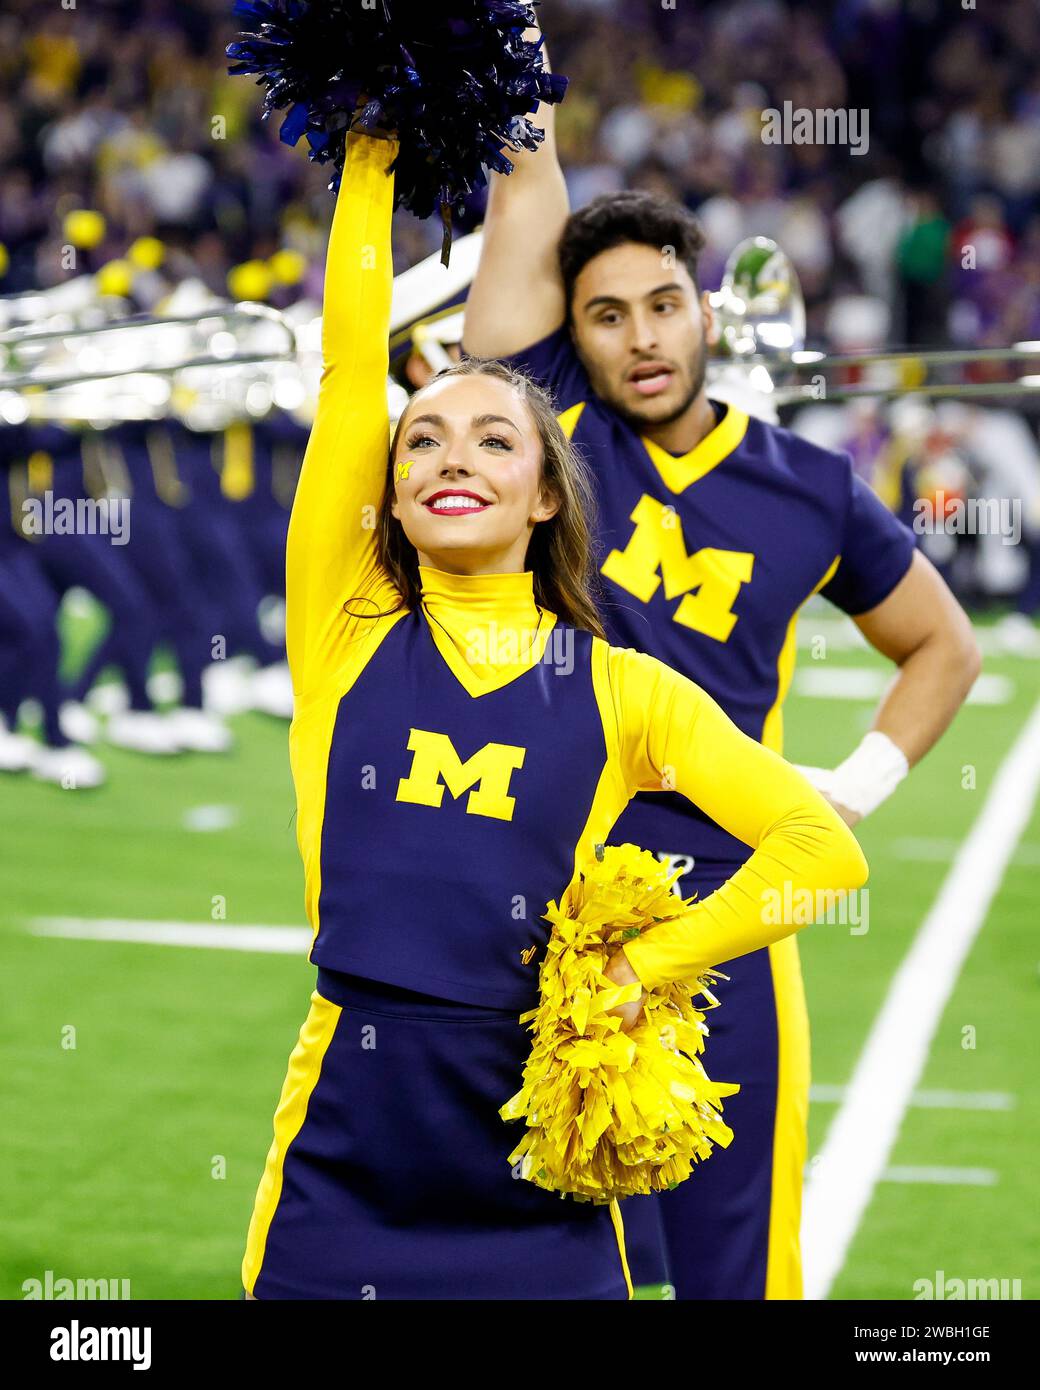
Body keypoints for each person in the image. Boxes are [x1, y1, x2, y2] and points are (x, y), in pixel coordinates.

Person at [240, 128, 867, 1301]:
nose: (445, 455)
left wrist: (648, 965)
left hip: (541, 1164)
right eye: (420, 438)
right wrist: (370, 157)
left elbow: (820, 851)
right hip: (342, 1148)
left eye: (491, 438)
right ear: (391, 491)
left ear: (542, 494)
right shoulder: (347, 626)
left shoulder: (624, 687)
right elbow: (344, 369)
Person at [461, 21, 980, 1299]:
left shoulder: (805, 486)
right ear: (568, 337)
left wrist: (847, 789)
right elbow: (527, 186)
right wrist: (500, 37)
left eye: (660, 305)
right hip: (524, 887)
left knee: (728, 1262)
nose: (638, 337)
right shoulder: (547, 426)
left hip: (718, 915)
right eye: (603, 315)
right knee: (522, 1251)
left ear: (705, 311)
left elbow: (941, 645)